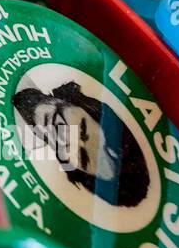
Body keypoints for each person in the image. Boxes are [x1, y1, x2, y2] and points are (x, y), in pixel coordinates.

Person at [11, 79, 150, 208]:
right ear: (85, 108)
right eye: (82, 130)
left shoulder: (19, 149)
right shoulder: (29, 80)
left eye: (81, 156)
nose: (66, 136)